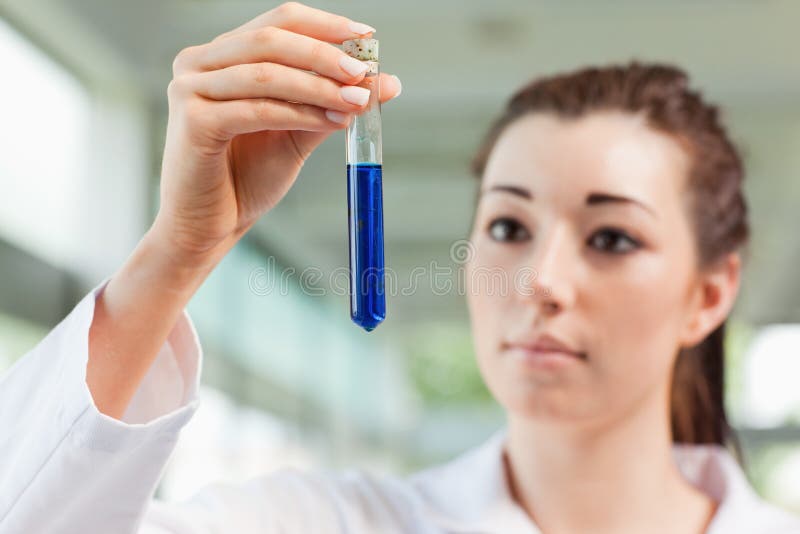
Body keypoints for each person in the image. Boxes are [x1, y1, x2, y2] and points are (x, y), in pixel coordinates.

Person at [1, 2, 799, 533]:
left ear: (709, 292)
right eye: (509, 225)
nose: (541, 281)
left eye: (613, 238)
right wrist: (179, 249)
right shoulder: (331, 522)